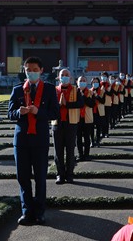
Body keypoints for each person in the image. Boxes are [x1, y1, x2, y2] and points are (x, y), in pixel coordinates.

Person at [8, 56, 59, 225]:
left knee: (40, 177)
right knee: (23, 177)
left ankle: (39, 212)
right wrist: (18, 112)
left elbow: (55, 114)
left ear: (41, 71)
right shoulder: (17, 90)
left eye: (35, 70)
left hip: (40, 138)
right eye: (28, 70)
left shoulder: (50, 89)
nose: (31, 73)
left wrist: (39, 111)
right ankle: (26, 212)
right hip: (21, 139)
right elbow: (10, 113)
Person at [53, 68, 84, 184]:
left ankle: (70, 175)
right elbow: (49, 106)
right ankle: (60, 175)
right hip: (57, 123)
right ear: (59, 77)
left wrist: (67, 104)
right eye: (62, 75)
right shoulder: (54, 90)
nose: (64, 77)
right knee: (58, 151)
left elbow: (81, 104)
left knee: (70, 150)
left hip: (71, 123)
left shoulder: (76, 90)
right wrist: (58, 104)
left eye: (67, 75)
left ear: (70, 78)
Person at [77, 75, 95, 162]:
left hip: (87, 117)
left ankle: (87, 155)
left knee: (87, 138)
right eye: (81, 81)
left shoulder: (90, 92)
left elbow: (92, 104)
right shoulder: (74, 92)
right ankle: (80, 155)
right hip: (77, 118)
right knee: (78, 138)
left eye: (84, 80)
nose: (82, 82)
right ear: (77, 82)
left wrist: (83, 97)